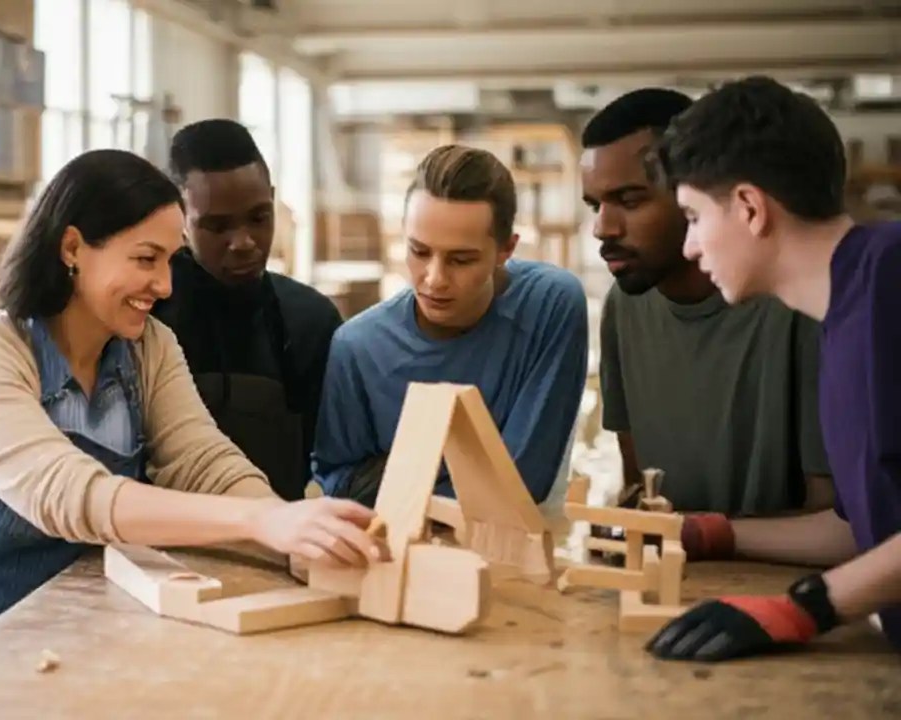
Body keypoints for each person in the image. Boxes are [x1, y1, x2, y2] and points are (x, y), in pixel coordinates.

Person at [0, 149, 379, 699]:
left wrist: (291, 531)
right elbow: (73, 497)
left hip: (33, 647)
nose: (165, 285)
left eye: (170, 261)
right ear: (74, 248)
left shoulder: (148, 348)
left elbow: (201, 460)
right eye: (146, 258)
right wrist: (258, 522)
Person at [645, 76, 901, 662]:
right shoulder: (839, 321)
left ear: (750, 207)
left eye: (691, 215)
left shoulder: (891, 274)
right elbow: (860, 531)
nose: (688, 246)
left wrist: (807, 607)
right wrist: (715, 533)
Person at [581, 87, 834, 522]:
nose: (602, 228)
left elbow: (835, 520)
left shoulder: (801, 307)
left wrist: (706, 538)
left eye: (629, 200)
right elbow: (641, 488)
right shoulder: (624, 306)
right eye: (594, 206)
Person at [312, 144, 588, 506]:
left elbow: (521, 485)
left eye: (461, 259)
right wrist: (473, 472)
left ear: (506, 250)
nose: (435, 279)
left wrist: (405, 478)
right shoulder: (357, 347)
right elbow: (340, 485)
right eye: (419, 251)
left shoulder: (551, 304)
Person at [152, 119, 344, 502]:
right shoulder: (145, 322)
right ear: (179, 219)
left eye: (259, 217)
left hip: (282, 539)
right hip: (165, 548)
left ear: (273, 200)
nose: (243, 242)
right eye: (217, 226)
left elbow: (335, 464)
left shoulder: (310, 321)